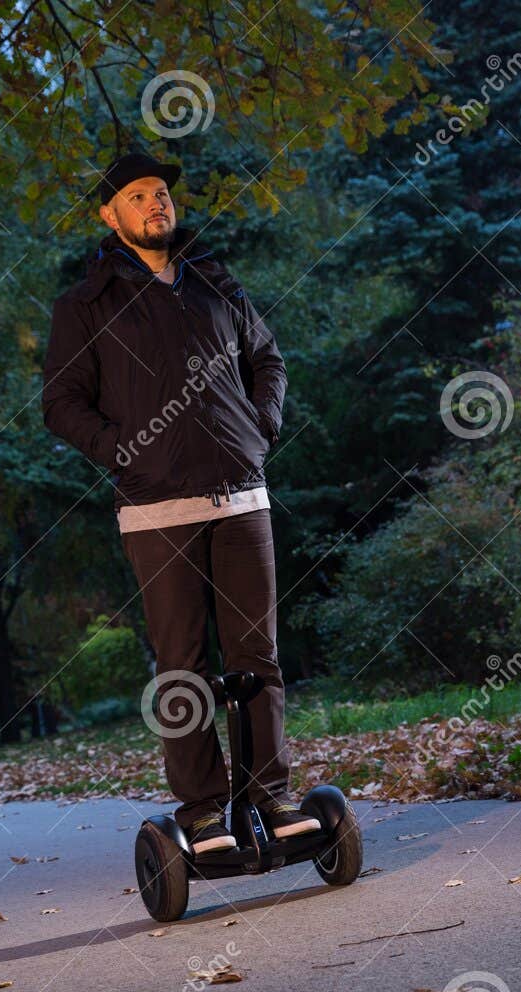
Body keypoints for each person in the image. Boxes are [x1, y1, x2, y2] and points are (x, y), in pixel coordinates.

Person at [41, 152, 319, 855]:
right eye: (138, 196)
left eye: (161, 192)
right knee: (182, 664)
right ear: (111, 215)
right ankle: (200, 807)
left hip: (241, 496)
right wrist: (126, 450)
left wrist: (261, 426)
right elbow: (61, 403)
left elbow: (270, 360)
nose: (155, 203)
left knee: (259, 654)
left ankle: (271, 795)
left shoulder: (215, 285)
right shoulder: (86, 306)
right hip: (156, 510)